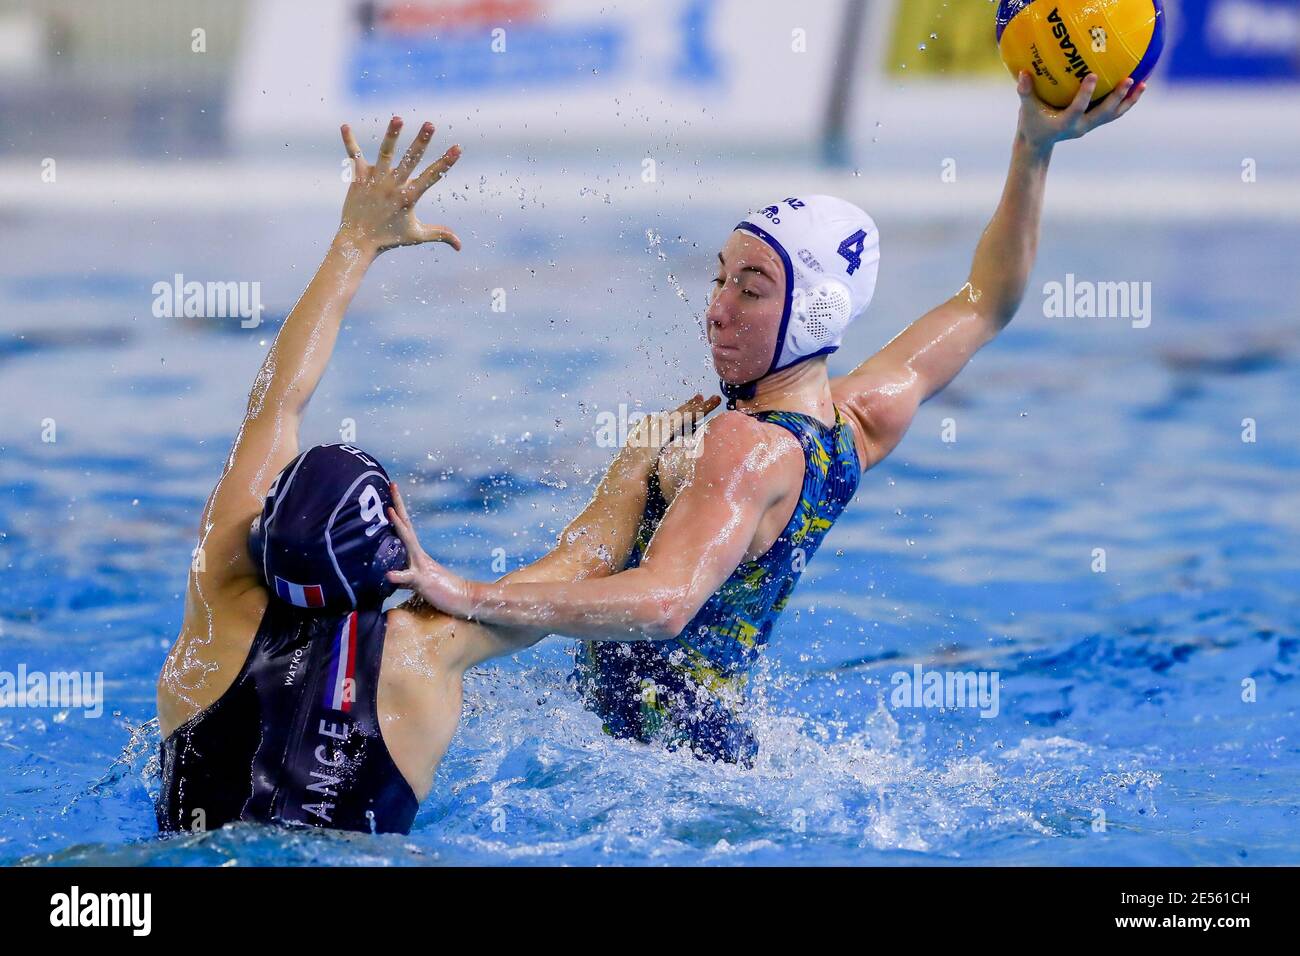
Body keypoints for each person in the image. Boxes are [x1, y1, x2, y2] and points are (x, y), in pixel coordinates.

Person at [385, 72, 1147, 765]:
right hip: (720, 752)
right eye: (719, 278)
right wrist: (1032, 145)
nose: (715, 309)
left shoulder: (741, 446)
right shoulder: (855, 424)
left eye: (750, 289)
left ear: (817, 312)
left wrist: (471, 593)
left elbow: (660, 602)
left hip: (649, 770)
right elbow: (988, 302)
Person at [155, 115, 718, 835]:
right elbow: (586, 563)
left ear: (265, 535)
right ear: (392, 546)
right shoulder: (427, 651)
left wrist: (354, 241)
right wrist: (634, 463)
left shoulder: (216, 603)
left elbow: (273, 406)